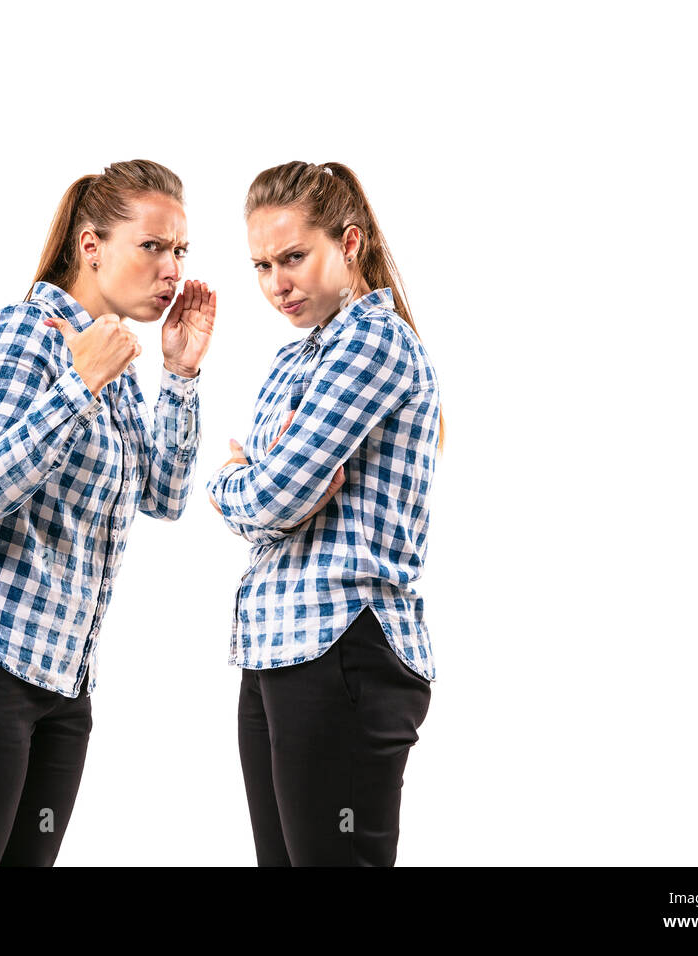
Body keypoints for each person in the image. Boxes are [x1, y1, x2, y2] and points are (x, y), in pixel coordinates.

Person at [0, 159, 215, 865]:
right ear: (90, 246)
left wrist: (180, 375)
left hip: (60, 681)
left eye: (180, 251)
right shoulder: (22, 334)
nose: (172, 269)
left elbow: (165, 496)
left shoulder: (114, 359)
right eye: (152, 245)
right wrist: (78, 383)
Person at [206, 160, 444, 866]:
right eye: (261, 265)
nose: (277, 283)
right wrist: (248, 484)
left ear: (350, 243)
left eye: (294, 257)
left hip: (345, 648)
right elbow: (275, 496)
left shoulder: (373, 341)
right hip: (273, 649)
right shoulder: (292, 361)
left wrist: (241, 481)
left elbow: (274, 495)